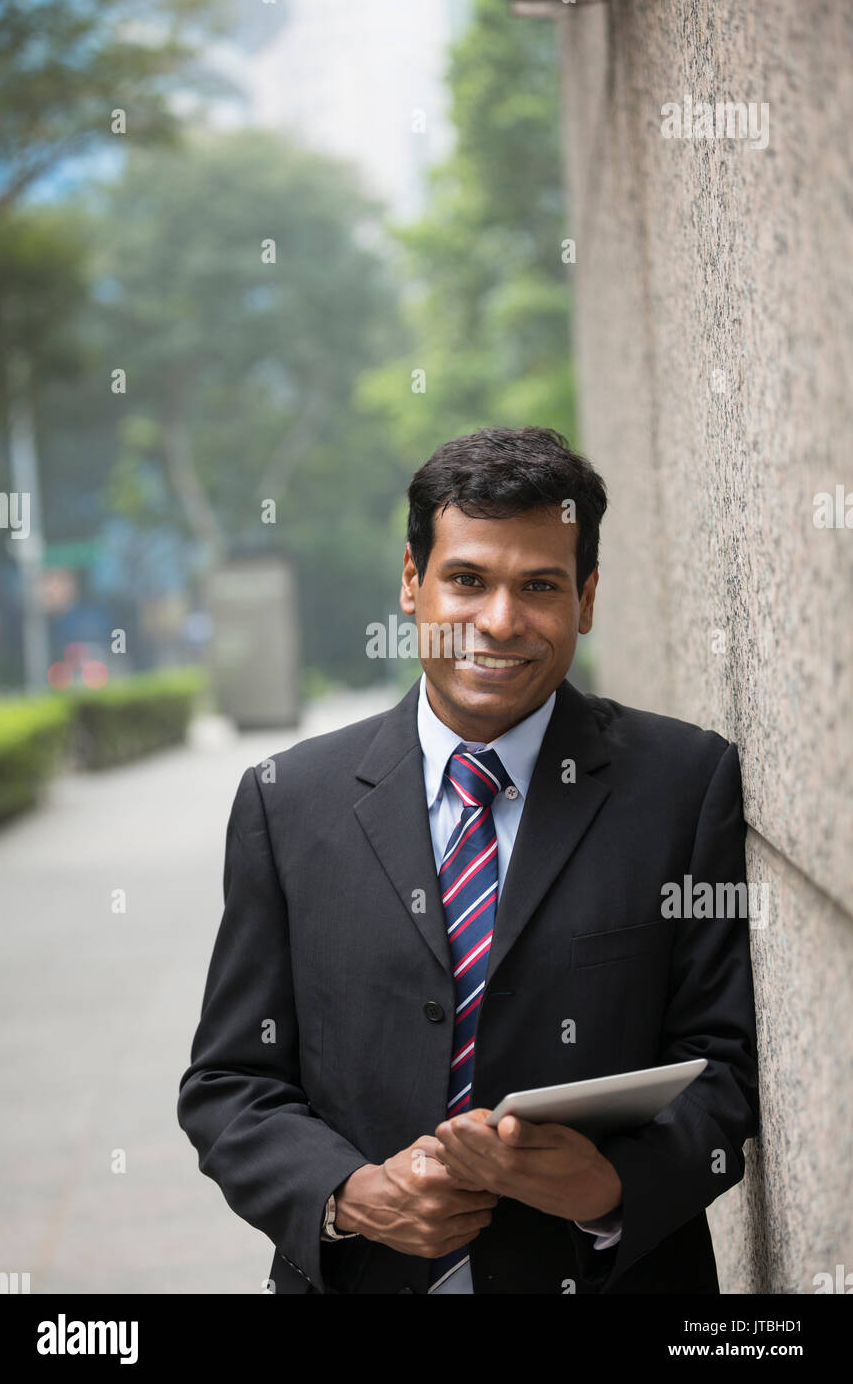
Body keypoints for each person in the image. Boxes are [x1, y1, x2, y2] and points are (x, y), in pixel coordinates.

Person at [177, 426, 759, 1294]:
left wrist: (612, 1188)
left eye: (540, 586)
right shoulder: (287, 801)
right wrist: (350, 1194)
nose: (500, 621)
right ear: (412, 585)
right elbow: (230, 1081)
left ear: (587, 598)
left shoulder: (683, 785)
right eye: (467, 580)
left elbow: (725, 1063)